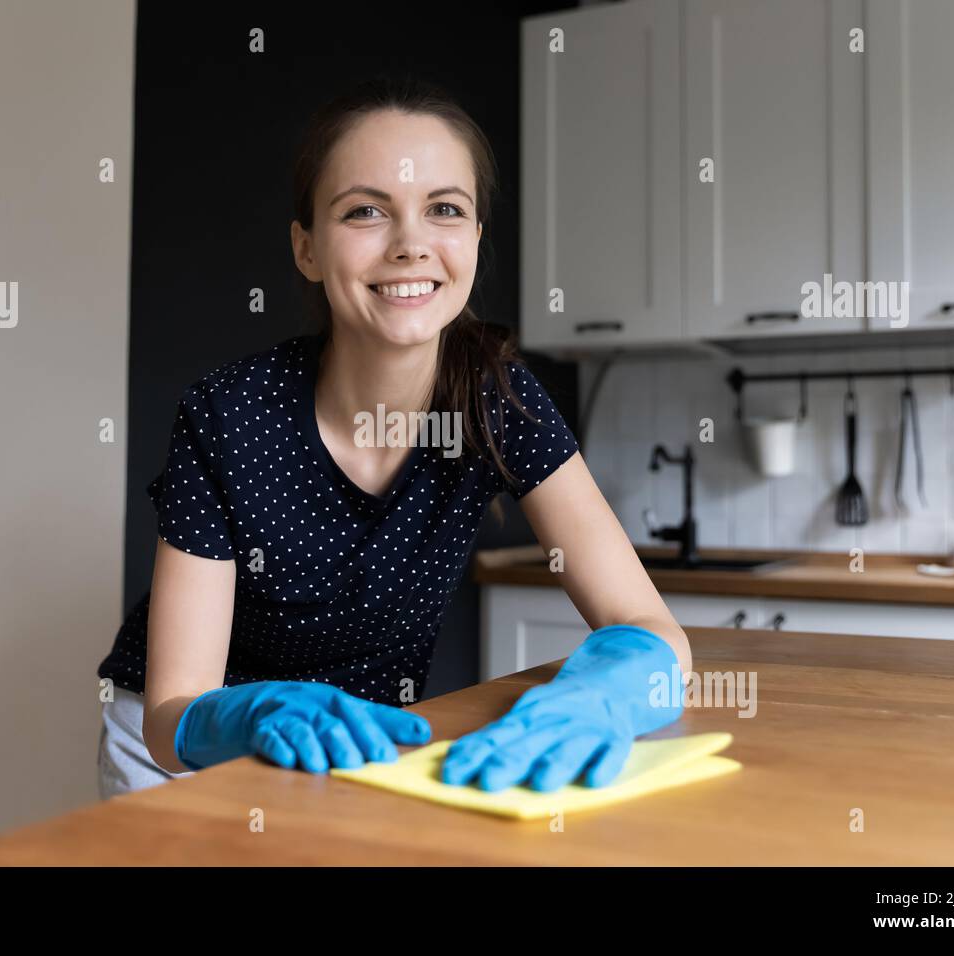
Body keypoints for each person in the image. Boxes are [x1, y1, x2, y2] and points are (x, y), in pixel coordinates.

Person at [96, 75, 692, 800]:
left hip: (365, 751)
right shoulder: (228, 414)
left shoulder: (497, 400)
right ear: (307, 248)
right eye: (365, 212)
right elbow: (170, 716)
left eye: (444, 209)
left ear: (473, 239)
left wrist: (606, 692)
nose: (412, 245)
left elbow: (652, 630)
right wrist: (242, 715)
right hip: (180, 765)